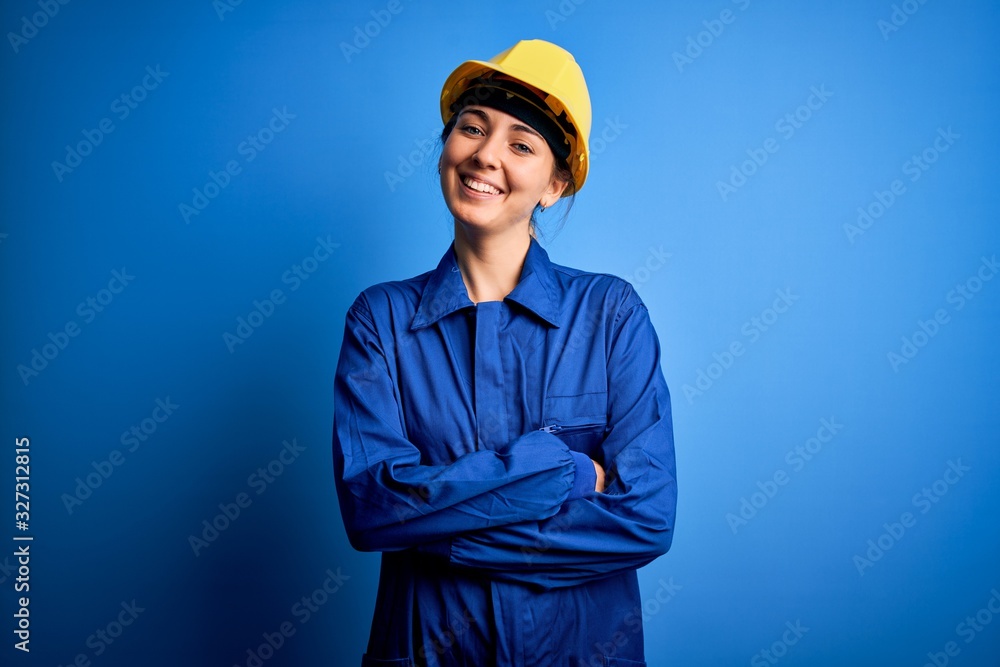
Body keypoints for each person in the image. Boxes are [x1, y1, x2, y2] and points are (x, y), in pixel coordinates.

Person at [332, 38, 677, 667]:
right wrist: (566, 471)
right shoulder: (379, 320)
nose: (485, 155)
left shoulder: (612, 315)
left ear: (555, 183)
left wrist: (436, 527)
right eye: (471, 129)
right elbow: (371, 509)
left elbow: (646, 518)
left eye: (521, 144)